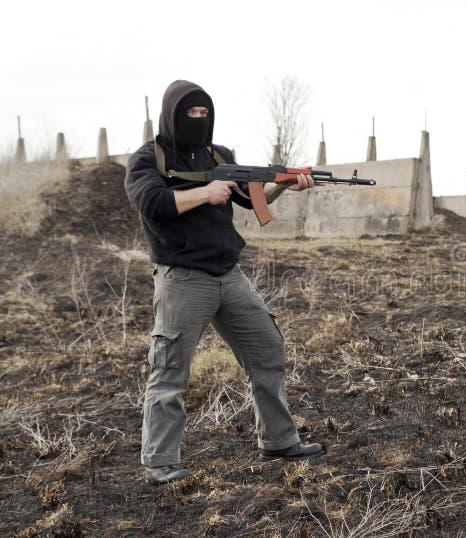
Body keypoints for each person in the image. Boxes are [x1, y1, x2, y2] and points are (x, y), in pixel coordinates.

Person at [125, 80, 322, 485]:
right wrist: (204, 192)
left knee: (268, 350)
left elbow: (253, 201)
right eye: (190, 114)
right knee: (170, 369)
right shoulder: (148, 158)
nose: (198, 120)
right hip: (182, 279)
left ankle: (279, 440)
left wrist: (284, 184)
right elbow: (153, 204)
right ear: (171, 114)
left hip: (229, 275)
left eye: (204, 114)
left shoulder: (220, 155)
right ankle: (159, 460)